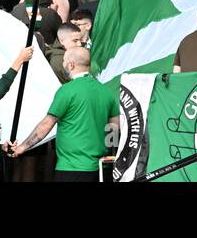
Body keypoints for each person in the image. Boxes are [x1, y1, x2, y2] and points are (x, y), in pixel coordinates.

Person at [10, 47, 117, 180]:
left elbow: (46, 125)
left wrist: (22, 147)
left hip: (70, 168)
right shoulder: (106, 92)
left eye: (64, 60)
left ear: (71, 65)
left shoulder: (66, 91)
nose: (63, 63)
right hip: (99, 169)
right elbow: (114, 130)